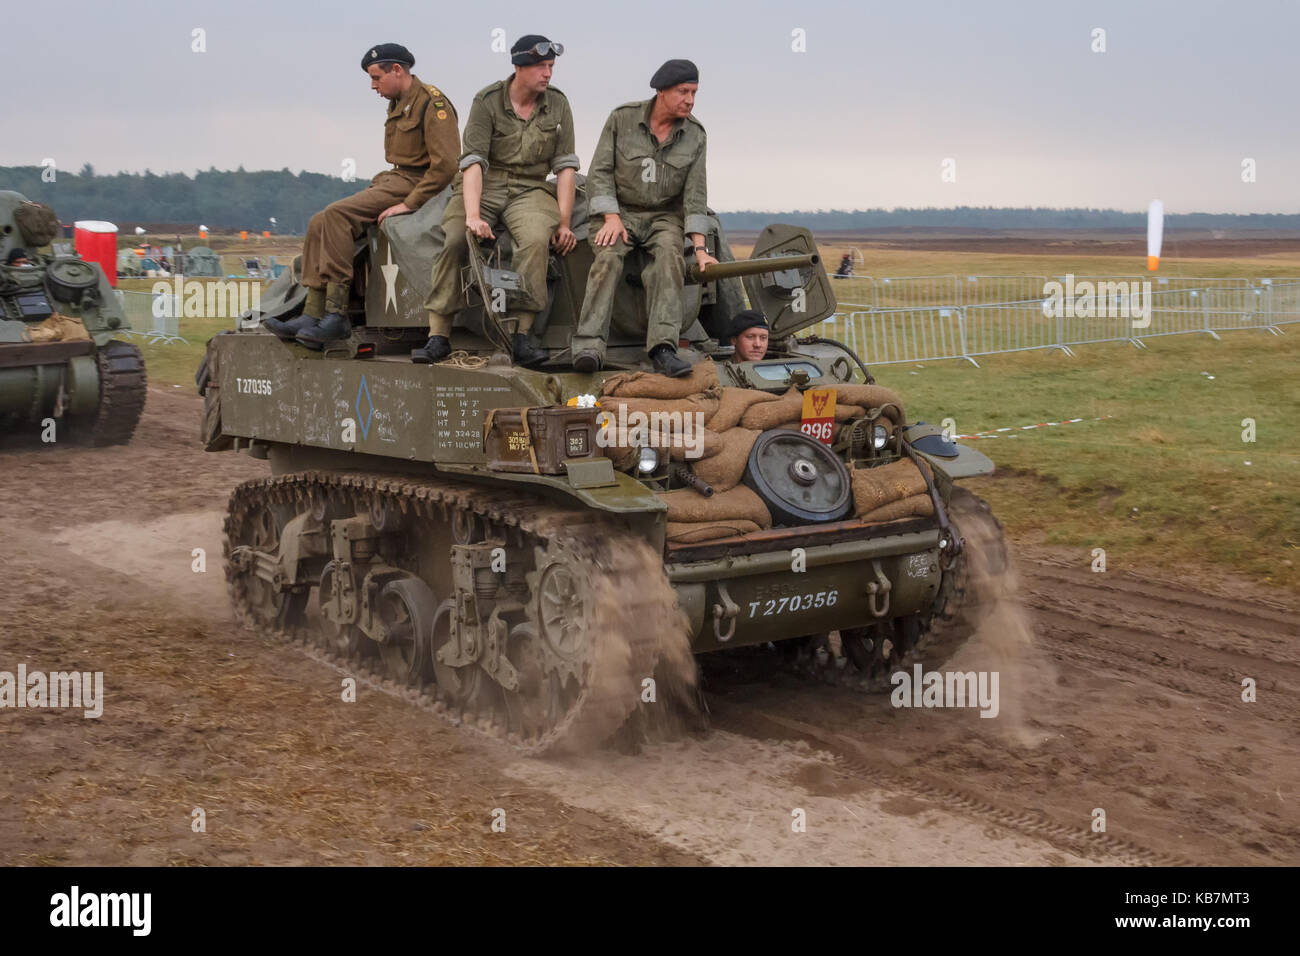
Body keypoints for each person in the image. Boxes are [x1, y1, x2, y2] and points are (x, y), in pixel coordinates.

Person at [266, 43, 460, 348]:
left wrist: (408, 204)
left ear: (397, 70)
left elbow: (446, 166)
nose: (373, 86)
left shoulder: (431, 104)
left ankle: (336, 314)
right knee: (320, 221)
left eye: (376, 77)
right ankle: (313, 312)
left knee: (337, 215)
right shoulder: (399, 101)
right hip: (397, 177)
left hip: (418, 183)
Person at [414, 35, 578, 367]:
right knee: (456, 239)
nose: (547, 74)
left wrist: (563, 222)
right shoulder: (487, 101)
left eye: (551, 67)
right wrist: (473, 216)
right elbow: (473, 162)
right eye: (540, 67)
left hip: (530, 188)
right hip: (484, 184)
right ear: (519, 67)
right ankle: (439, 334)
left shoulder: (558, 104)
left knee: (534, 241)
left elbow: (565, 167)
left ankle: (521, 333)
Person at [569, 58, 718, 379]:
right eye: (683, 91)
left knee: (669, 258)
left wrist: (701, 248)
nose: (690, 100)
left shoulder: (695, 135)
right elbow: (600, 172)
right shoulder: (622, 120)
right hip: (618, 211)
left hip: (664, 217)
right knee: (607, 257)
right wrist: (610, 216)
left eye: (694, 92)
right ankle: (589, 344)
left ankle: (662, 349)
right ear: (661, 91)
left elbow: (695, 195)